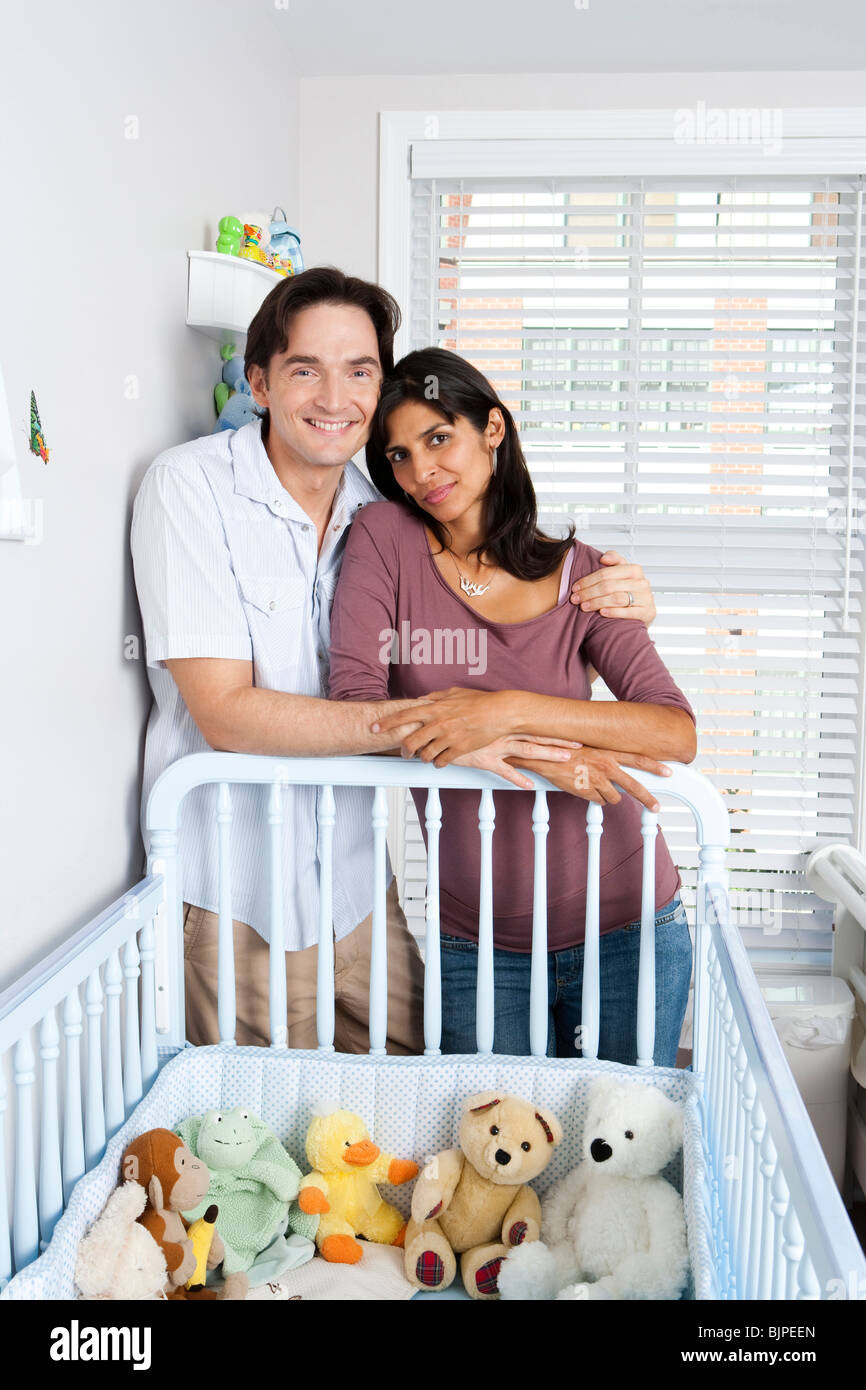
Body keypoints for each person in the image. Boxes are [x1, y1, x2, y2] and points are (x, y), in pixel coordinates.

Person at [131, 267, 662, 1056]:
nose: (334, 396)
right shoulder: (190, 488)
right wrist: (461, 734)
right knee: (258, 1133)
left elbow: (495, 606)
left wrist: (622, 589)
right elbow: (226, 712)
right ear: (260, 382)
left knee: (410, 1127)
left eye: (360, 371)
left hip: (356, 889)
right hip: (237, 888)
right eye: (305, 368)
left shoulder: (384, 516)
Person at [327, 347, 697, 1065]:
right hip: (478, 938)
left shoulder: (581, 574)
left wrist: (507, 710)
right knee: (494, 1163)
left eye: (439, 438)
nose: (421, 471)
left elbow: (673, 730)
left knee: (619, 1162)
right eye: (399, 455)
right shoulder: (386, 541)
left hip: (628, 926)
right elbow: (357, 707)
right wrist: (535, 751)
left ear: (492, 429)